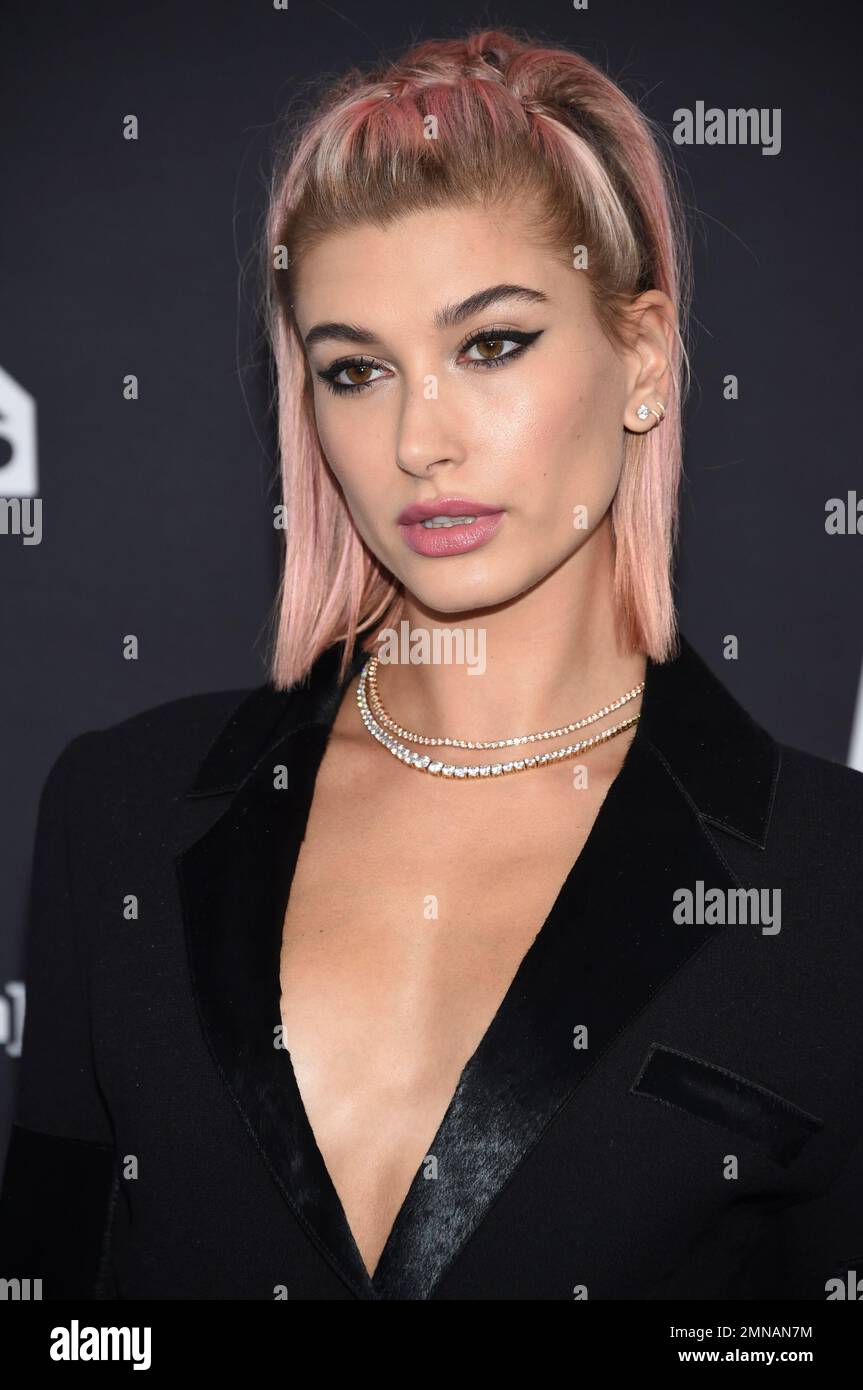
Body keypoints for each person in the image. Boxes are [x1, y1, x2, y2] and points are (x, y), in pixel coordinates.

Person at [1, 27, 862, 1302]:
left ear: (638, 357)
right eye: (355, 370)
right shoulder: (119, 814)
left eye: (491, 344)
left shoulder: (832, 884)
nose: (418, 439)